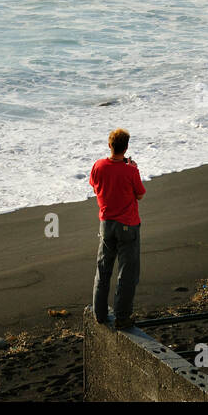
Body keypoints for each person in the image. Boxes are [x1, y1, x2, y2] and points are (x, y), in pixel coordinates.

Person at [90, 127, 146, 330]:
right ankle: (122, 317)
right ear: (126, 147)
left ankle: (100, 313)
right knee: (127, 272)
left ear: (109, 145)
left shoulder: (98, 166)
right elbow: (139, 194)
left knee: (103, 269)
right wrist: (133, 169)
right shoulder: (131, 170)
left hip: (106, 223)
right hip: (127, 225)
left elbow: (95, 186)